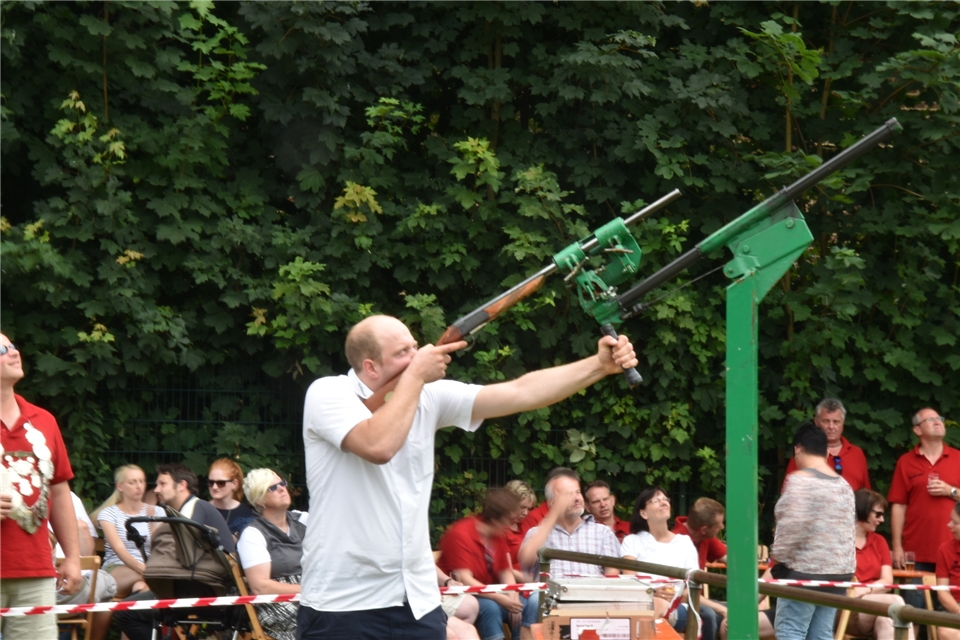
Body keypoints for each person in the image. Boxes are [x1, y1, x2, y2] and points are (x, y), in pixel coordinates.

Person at [298, 314, 638, 640]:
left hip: (417, 602)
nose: (418, 356)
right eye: (403, 353)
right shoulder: (328, 393)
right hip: (342, 604)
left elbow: (521, 392)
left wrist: (597, 365)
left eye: (415, 346)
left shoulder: (427, 396)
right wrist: (415, 377)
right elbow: (378, 444)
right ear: (370, 366)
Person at [1, 334, 82, 640]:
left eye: (13, 346)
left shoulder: (44, 420)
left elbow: (60, 492)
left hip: (34, 570)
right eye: (2, 349)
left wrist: (72, 558)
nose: (14, 353)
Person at [114, 462, 236, 640]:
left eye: (163, 484)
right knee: (129, 609)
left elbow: (181, 554)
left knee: (126, 612)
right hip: (195, 587)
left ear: (182, 485)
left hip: (209, 591)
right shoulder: (182, 512)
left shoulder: (196, 508)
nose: (156, 489)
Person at [771, 421, 856, 640]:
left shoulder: (800, 481)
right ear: (827, 453)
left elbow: (792, 527)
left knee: (791, 630)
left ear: (797, 449)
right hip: (839, 574)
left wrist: (778, 559)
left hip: (805, 572)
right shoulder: (844, 486)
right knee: (821, 634)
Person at [620, 486, 721, 640]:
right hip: (641, 603)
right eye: (656, 500)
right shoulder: (632, 541)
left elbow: (691, 591)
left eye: (665, 499)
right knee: (653, 605)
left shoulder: (685, 543)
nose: (663, 503)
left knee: (702, 614)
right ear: (643, 513)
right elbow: (630, 583)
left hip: (676, 605)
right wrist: (652, 592)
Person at [438, 487, 538, 640]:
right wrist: (499, 597)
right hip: (462, 594)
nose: (509, 527)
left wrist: (513, 596)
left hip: (488, 593)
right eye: (508, 521)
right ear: (495, 519)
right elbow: (466, 579)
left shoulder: (498, 535)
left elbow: (505, 572)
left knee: (523, 605)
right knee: (489, 607)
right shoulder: (461, 533)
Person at [889, 408, 960, 575]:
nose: (938, 422)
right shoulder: (905, 462)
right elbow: (899, 506)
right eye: (930, 420)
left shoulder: (958, 458)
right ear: (917, 430)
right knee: (914, 601)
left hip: (955, 549)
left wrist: (951, 491)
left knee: (952, 601)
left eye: (939, 418)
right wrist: (897, 546)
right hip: (916, 552)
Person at [238, 468, 305, 640]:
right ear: (259, 500)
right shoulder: (252, 534)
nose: (282, 488)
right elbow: (261, 587)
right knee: (326, 617)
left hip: (313, 593)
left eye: (282, 483)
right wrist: (307, 590)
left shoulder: (304, 520)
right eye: (272, 488)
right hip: (277, 602)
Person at [517, 468, 621, 577]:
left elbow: (612, 575)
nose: (577, 498)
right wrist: (554, 514)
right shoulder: (536, 533)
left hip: (591, 592)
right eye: (568, 494)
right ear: (552, 503)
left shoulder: (603, 532)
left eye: (577, 492)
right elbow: (526, 560)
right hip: (551, 593)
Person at [842, 489, 913, 640]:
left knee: (887, 620)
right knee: (896, 602)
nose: (882, 520)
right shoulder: (838, 540)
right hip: (844, 606)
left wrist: (865, 589)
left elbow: (888, 580)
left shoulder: (879, 541)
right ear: (863, 511)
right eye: (878, 514)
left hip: (872, 604)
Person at [91, 464, 156, 598]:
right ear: (120, 486)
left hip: (147, 571)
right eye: (133, 482)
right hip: (116, 568)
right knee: (156, 579)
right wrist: (145, 570)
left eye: (142, 481)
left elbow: (159, 545)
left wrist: (152, 520)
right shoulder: (109, 513)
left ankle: (128, 616)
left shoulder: (156, 512)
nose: (139, 486)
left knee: (142, 586)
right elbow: (120, 550)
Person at [783, 398, 871, 492]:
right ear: (816, 422)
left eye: (836, 422)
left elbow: (867, 495)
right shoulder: (805, 452)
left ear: (843, 423)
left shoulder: (856, 453)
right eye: (826, 421)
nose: (831, 427)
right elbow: (789, 492)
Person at [672, 497, 728, 569]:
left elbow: (730, 560)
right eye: (717, 526)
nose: (722, 527)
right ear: (704, 530)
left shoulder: (706, 537)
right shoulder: (673, 543)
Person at [208, 457, 254, 538]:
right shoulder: (201, 508)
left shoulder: (247, 513)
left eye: (221, 483)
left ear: (234, 484)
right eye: (211, 482)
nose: (214, 487)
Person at [935, 502, 960, 639]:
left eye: (955, 522)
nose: (949, 525)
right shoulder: (945, 549)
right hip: (953, 608)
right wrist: (958, 610)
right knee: (946, 632)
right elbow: (942, 591)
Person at [504, 479, 537, 581]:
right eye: (522, 507)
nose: (525, 513)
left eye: (528, 509)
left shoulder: (528, 523)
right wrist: (535, 581)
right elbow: (506, 571)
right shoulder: (499, 529)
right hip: (516, 585)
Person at [435, 566, 480, 640]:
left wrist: (448, 581)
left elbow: (428, 564)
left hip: (432, 599)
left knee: (469, 629)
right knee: (451, 635)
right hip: (417, 606)